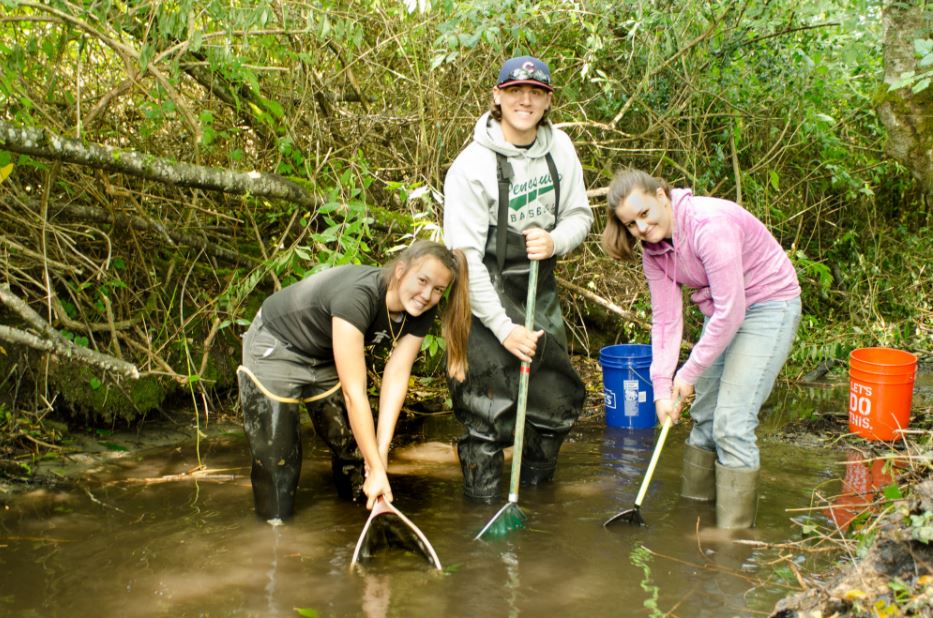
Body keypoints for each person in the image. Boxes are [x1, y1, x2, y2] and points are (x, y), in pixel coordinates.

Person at [601, 168, 801, 528]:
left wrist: (689, 371)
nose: (641, 229)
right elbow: (666, 322)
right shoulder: (654, 252)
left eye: (644, 214)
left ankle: (733, 538)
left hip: (767, 304)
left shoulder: (709, 226)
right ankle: (692, 516)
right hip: (723, 309)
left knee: (731, 423)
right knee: (705, 416)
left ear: (662, 195)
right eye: (631, 225)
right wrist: (662, 389)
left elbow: (733, 310)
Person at [443, 55, 593, 502]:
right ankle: (483, 514)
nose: (525, 100)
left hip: (537, 292)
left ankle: (539, 509)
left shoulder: (561, 148)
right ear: (497, 97)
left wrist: (555, 241)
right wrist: (505, 330)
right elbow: (464, 260)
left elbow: (580, 215)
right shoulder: (470, 168)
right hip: (482, 296)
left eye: (536, 93)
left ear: (547, 102)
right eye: (515, 92)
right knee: (486, 415)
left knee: (554, 405)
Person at [237, 240, 471, 522]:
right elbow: (354, 394)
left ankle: (359, 515)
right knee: (279, 460)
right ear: (400, 270)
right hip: (276, 345)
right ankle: (273, 534)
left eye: (437, 290)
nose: (426, 294)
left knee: (354, 450)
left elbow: (397, 375)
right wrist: (376, 461)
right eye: (422, 281)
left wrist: (380, 458)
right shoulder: (358, 296)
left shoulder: (421, 309)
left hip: (323, 355)